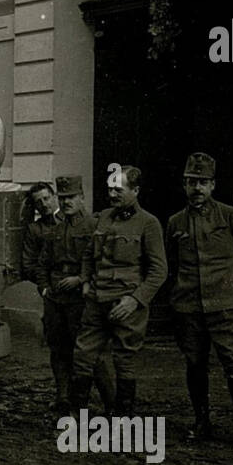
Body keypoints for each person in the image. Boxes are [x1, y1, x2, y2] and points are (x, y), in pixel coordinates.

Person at [166, 152, 233, 448]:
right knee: (195, 364)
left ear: (213, 185)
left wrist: (232, 283)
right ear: (184, 184)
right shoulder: (174, 222)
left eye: (203, 182)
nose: (197, 188)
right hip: (189, 306)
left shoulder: (232, 216)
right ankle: (202, 421)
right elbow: (172, 263)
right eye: (191, 182)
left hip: (226, 307)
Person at [70, 165, 166, 416]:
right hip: (96, 300)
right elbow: (89, 255)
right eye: (110, 189)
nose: (112, 194)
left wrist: (135, 300)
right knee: (82, 356)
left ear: (135, 190)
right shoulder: (103, 218)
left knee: (124, 361)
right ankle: (76, 415)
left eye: (119, 189)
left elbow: (159, 271)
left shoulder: (149, 223)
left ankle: (122, 417)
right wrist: (86, 281)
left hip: (125, 305)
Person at [28, 176, 116, 413]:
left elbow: (103, 262)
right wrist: (44, 288)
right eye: (64, 197)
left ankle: (111, 403)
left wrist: (80, 280)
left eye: (71, 198)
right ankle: (63, 398)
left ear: (82, 198)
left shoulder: (94, 227)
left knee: (89, 353)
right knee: (58, 349)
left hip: (81, 299)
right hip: (56, 300)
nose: (66, 202)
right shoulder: (56, 229)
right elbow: (42, 264)